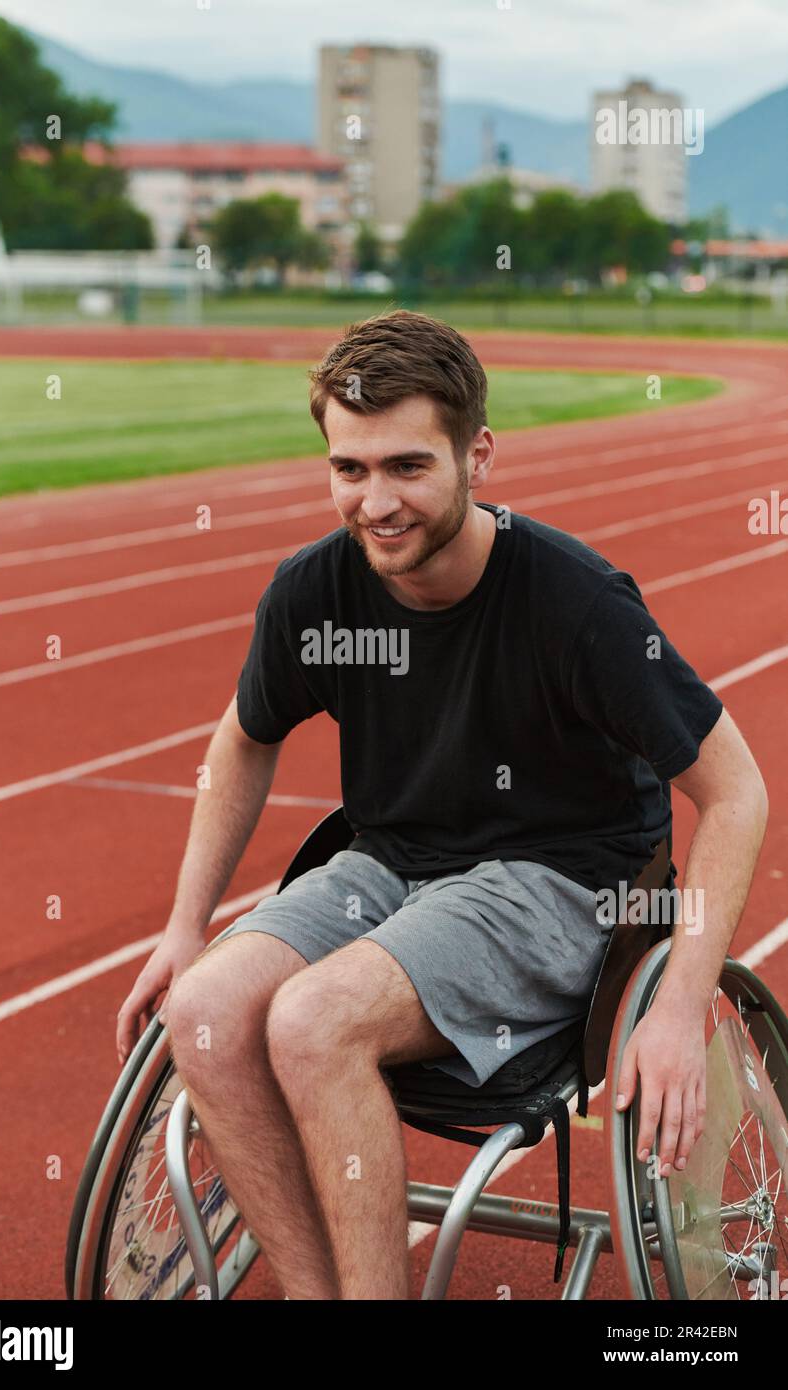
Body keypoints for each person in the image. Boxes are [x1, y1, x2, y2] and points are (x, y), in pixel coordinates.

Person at [116, 310, 768, 1300]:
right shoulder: (314, 592)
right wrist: (181, 923)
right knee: (202, 1009)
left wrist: (677, 1005)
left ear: (478, 454)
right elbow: (241, 738)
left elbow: (732, 790)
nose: (375, 502)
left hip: (558, 884)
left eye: (407, 467)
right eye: (348, 469)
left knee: (310, 1023)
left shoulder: (575, 603)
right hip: (390, 863)